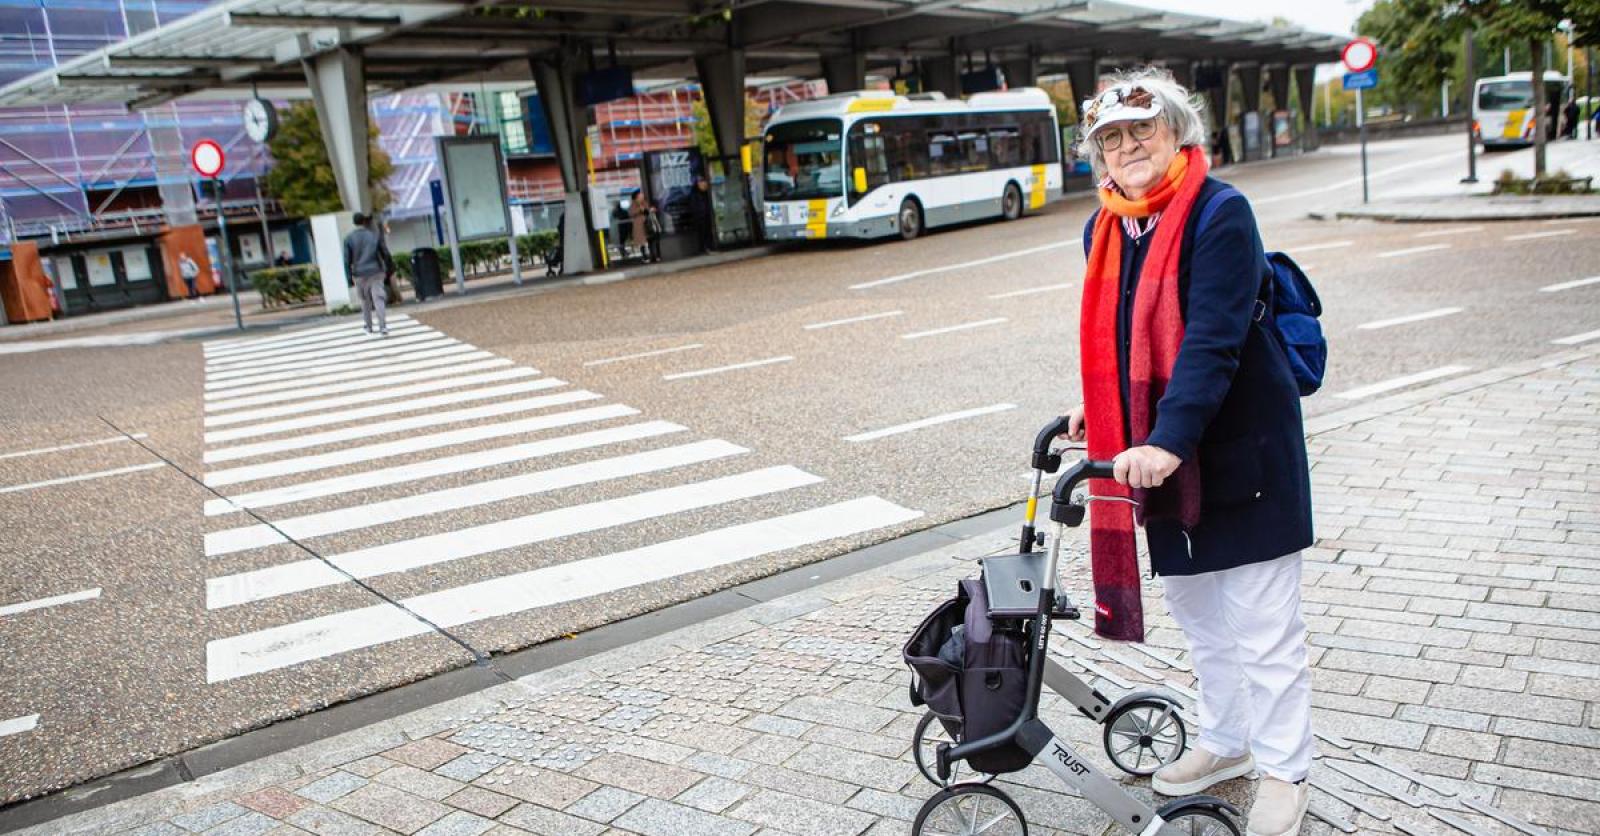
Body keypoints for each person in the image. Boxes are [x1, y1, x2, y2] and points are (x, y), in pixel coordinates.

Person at [1062, 68, 1314, 836]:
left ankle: (1284, 772)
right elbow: (1120, 337)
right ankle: (1226, 741)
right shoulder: (1104, 227)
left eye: (1143, 130)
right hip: (1164, 458)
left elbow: (1213, 339)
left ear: (1177, 133)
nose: (1129, 147)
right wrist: (1098, 411)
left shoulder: (1219, 212)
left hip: (1240, 450)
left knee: (1264, 627)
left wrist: (1168, 438)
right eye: (1112, 138)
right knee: (1202, 618)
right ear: (1097, 157)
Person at [343, 212, 395, 335]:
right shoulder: (373, 235)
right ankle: (383, 326)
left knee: (365, 301)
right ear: (364, 222)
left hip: (359, 274)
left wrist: (349, 278)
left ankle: (368, 327)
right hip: (376, 271)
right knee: (379, 299)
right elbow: (385, 253)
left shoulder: (349, 239)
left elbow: (347, 260)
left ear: (354, 222)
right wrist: (389, 269)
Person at [688, 176, 715, 254]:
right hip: (701, 217)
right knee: (703, 232)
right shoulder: (695, 194)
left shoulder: (707, 193)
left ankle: (709, 247)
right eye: (701, 182)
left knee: (708, 231)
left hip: (707, 216)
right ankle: (705, 248)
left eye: (704, 182)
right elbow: (694, 207)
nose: (704, 184)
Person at [628, 192, 649, 259]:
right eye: (640, 196)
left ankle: (651, 255)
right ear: (637, 197)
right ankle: (644, 256)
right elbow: (631, 213)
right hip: (639, 225)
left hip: (647, 223)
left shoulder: (644, 203)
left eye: (642, 196)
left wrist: (645, 210)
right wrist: (639, 210)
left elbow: (647, 211)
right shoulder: (633, 204)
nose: (642, 197)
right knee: (642, 241)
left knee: (648, 239)